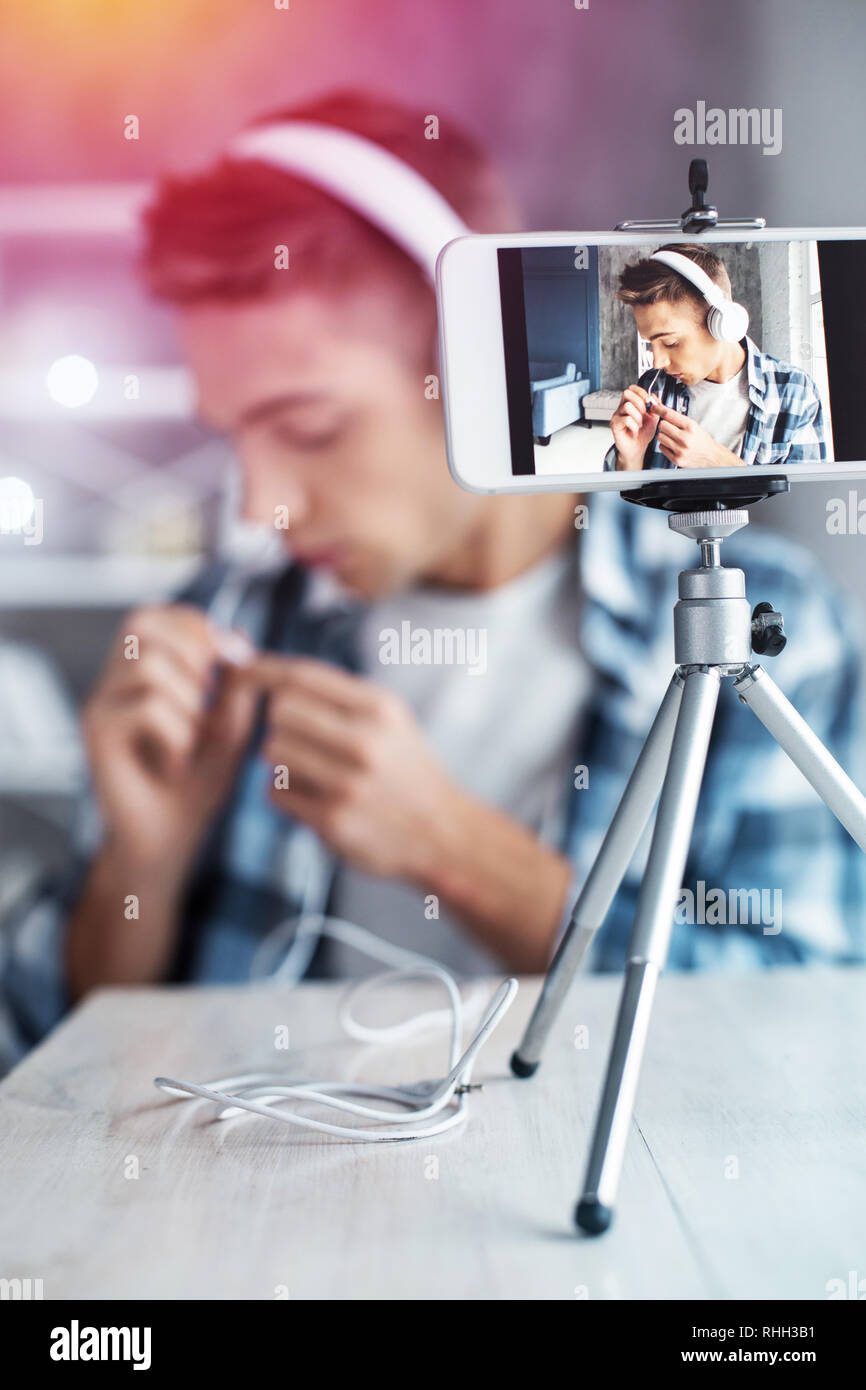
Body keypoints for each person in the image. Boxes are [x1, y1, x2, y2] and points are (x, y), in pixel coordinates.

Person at [0, 92, 863, 1072]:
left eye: (311, 427)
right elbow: (36, 1060)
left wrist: (452, 848)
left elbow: (804, 1035)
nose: (259, 506)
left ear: (474, 364)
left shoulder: (760, 625)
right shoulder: (223, 628)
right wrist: (140, 866)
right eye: (234, 434)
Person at [605, 243, 827, 471]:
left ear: (723, 322)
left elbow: (805, 503)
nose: (657, 362)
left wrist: (715, 461)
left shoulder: (795, 392)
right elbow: (624, 504)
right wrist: (630, 458)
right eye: (651, 344)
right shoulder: (654, 388)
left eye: (670, 342)